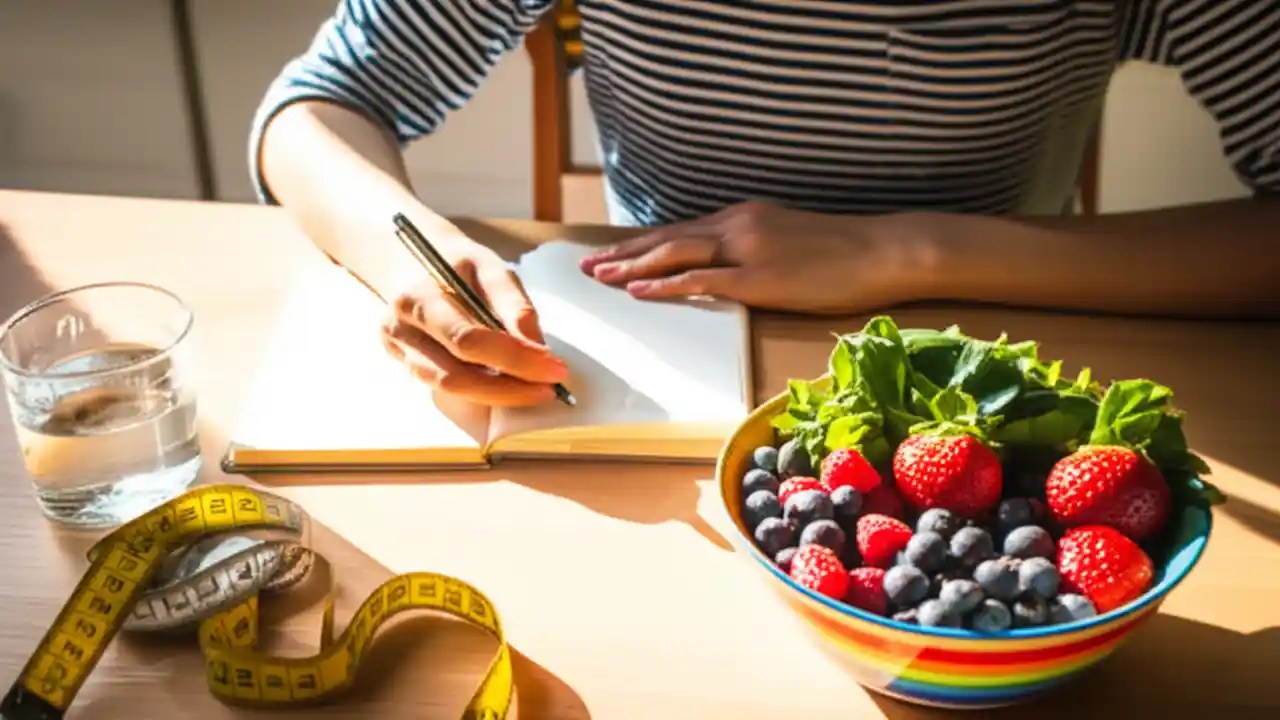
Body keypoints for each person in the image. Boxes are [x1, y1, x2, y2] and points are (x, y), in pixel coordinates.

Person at [251, 1, 1280, 408]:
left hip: (993, 386)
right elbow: (315, 106)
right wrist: (413, 255)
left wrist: (909, 253)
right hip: (660, 382)